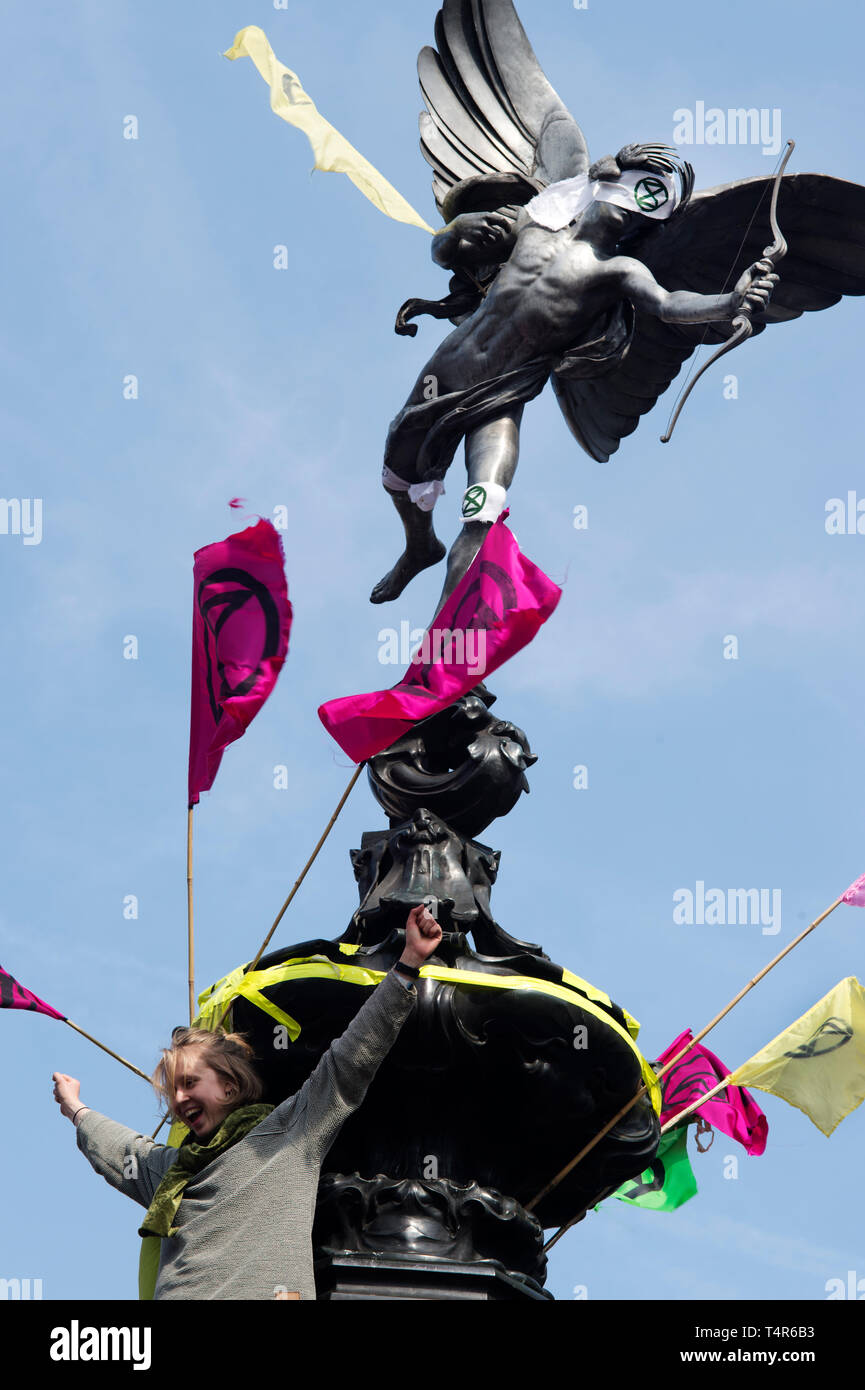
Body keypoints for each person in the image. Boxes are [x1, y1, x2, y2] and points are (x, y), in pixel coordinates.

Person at [370, 146, 777, 614]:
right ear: (604, 182)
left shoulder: (618, 270)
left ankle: (447, 650)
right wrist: (454, 232)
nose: (632, 214)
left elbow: (667, 304)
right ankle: (420, 546)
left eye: (648, 210)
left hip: (501, 402)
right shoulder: (533, 225)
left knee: (481, 514)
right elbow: (447, 253)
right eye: (633, 194)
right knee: (399, 472)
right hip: (446, 374)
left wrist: (730, 303)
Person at [52, 904, 442, 1300]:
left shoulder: (291, 1133)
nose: (179, 1099)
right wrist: (76, 1108)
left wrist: (408, 965)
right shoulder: (170, 1172)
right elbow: (121, 1151)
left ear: (229, 1085)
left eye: (189, 1083)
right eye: (172, 1092)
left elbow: (349, 1060)